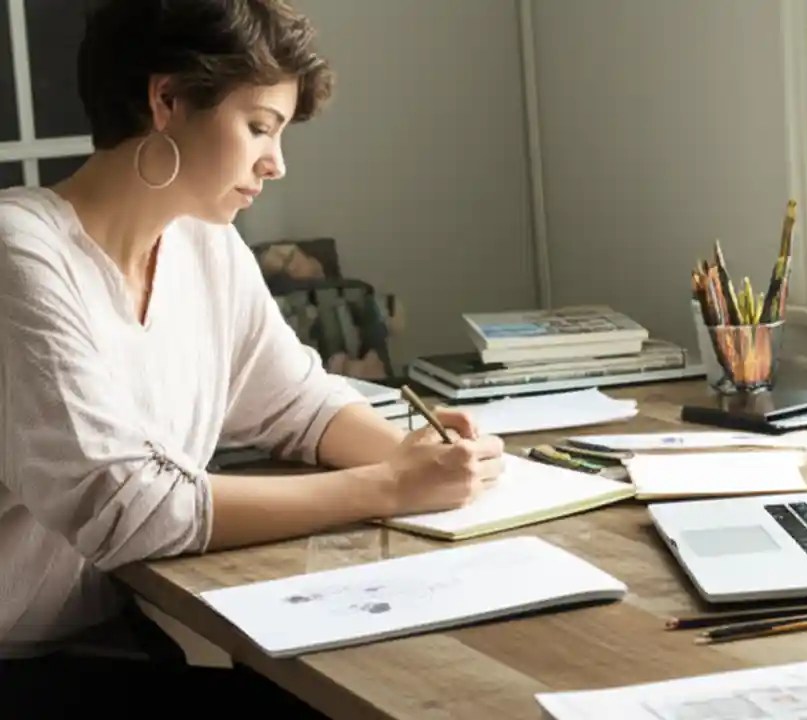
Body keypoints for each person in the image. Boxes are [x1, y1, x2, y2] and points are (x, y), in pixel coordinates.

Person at [0, 0, 505, 714]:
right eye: (259, 127)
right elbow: (126, 509)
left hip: (109, 634)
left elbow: (294, 402)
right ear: (167, 99)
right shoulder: (20, 255)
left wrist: (420, 456)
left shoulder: (201, 241)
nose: (275, 163)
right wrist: (390, 487)